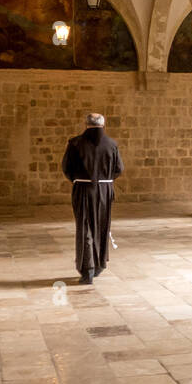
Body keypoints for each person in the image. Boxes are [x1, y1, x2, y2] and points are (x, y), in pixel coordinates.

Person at [60, 112, 124, 284]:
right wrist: (105, 180)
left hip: (83, 189)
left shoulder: (75, 143)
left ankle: (87, 269)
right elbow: (119, 168)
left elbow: (66, 168)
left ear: (86, 124)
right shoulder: (112, 144)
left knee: (85, 227)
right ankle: (99, 265)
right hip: (104, 189)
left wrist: (78, 179)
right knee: (102, 225)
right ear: (103, 124)